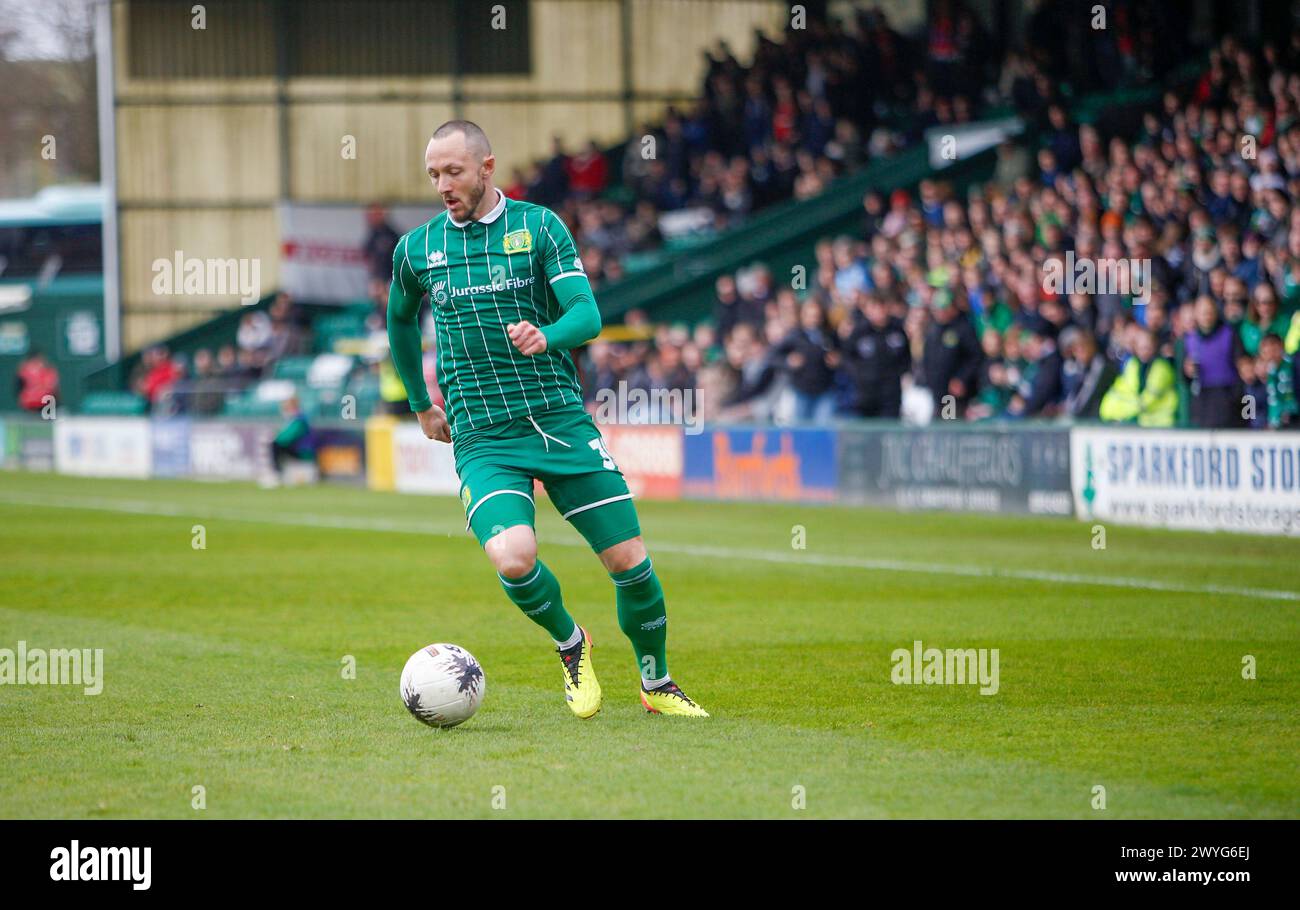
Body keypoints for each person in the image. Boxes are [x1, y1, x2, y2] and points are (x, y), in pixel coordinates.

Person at [387, 120, 707, 719]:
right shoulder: (416, 249)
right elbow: (400, 320)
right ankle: (571, 642)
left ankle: (657, 684)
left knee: (629, 562)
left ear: (486, 167)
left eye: (453, 171)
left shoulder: (539, 227)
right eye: (433, 174)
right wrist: (420, 403)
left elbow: (586, 315)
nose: (442, 185)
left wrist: (547, 335)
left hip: (557, 420)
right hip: (483, 435)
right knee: (513, 557)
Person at [1099, 327, 1179, 427]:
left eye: (1147, 347)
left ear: (1154, 347)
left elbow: (1147, 401)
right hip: (1138, 423)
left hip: (1160, 425)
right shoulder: (1132, 364)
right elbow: (1126, 390)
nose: (1144, 351)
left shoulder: (1161, 367)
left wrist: (1127, 411)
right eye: (1140, 347)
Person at [266, 395, 316, 486]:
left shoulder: (299, 419)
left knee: (275, 444)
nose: (284, 410)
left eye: (286, 408)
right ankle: (278, 472)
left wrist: (276, 436)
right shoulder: (293, 419)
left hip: (303, 452)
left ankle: (276, 474)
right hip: (297, 449)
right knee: (276, 445)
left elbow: (287, 438)